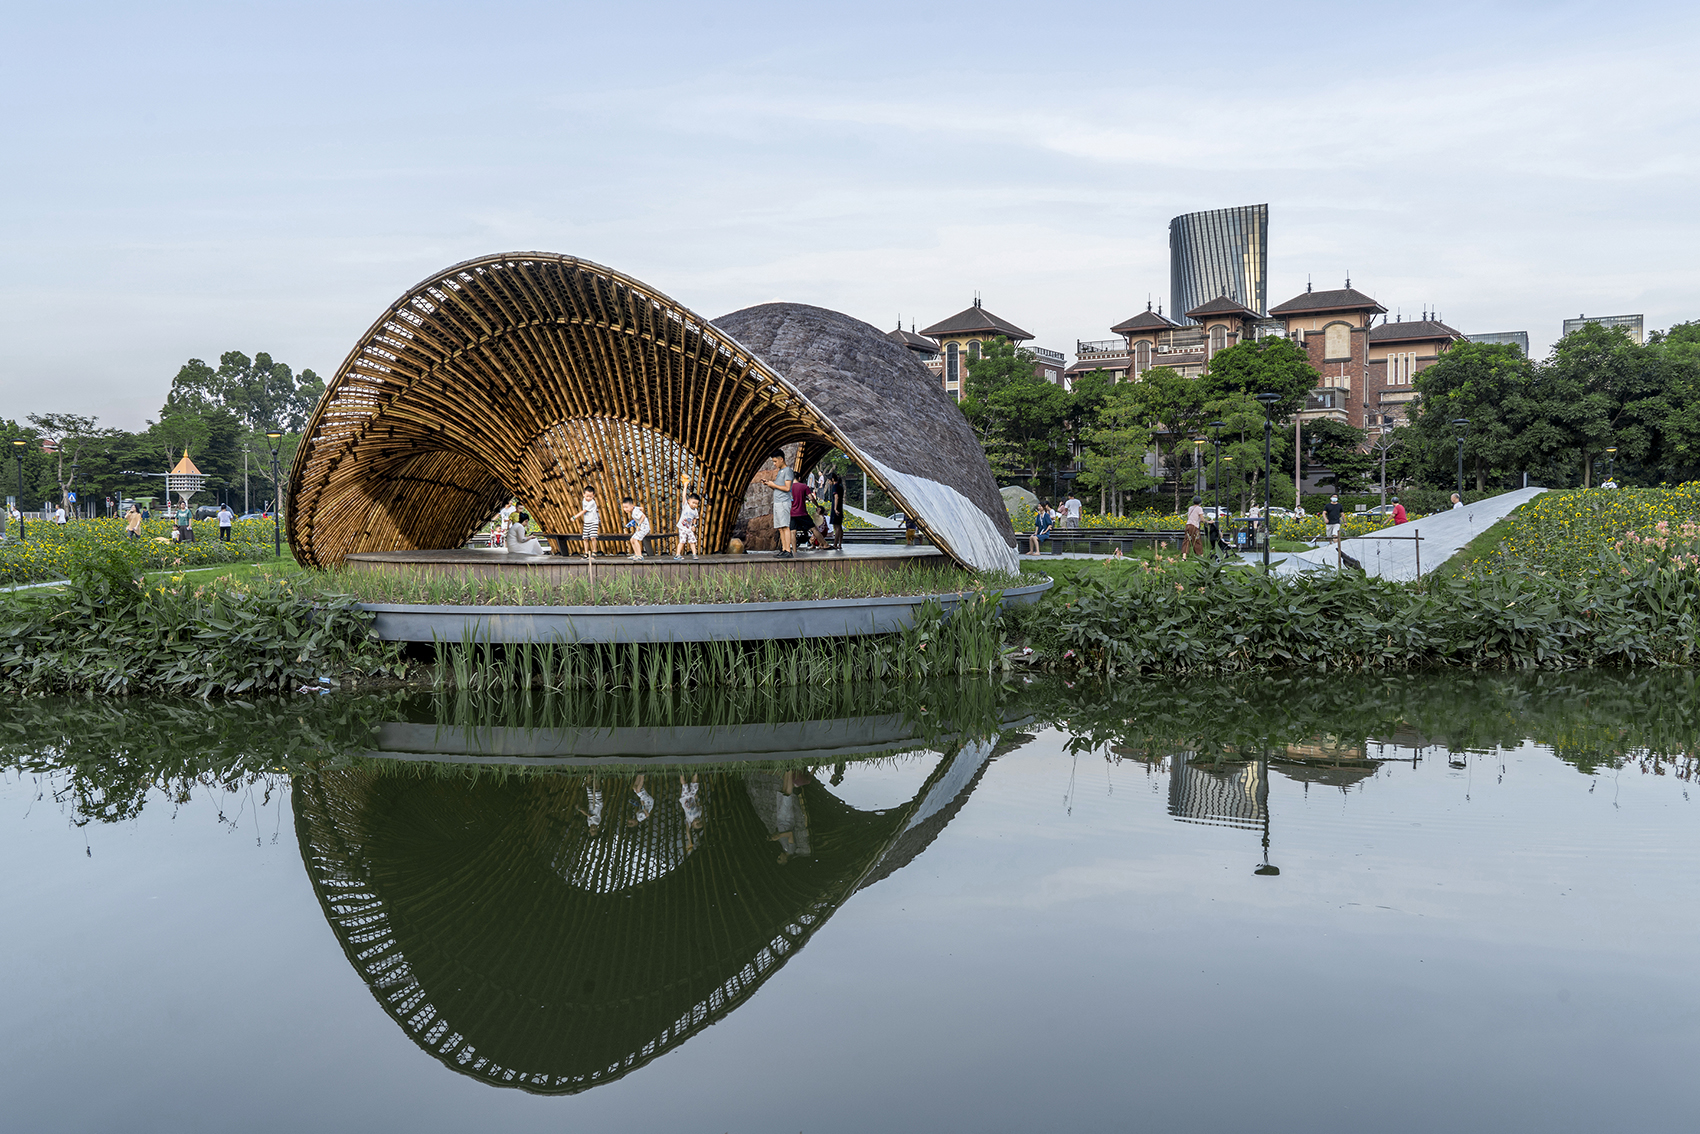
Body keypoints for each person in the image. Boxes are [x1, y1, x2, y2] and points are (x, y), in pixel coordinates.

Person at [755, 452, 795, 558]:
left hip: (783, 502)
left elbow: (787, 488)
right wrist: (769, 484)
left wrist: (774, 484)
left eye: (775, 461)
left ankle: (788, 550)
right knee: (780, 527)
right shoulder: (780, 472)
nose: (774, 464)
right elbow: (777, 487)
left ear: (781, 459)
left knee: (785, 526)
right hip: (777, 502)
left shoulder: (788, 471)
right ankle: (784, 549)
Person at [569, 486, 600, 556]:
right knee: (585, 538)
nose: (588, 498)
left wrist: (575, 517)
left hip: (593, 522)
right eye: (587, 496)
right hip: (586, 522)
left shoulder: (592, 502)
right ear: (583, 494)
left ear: (593, 496)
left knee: (593, 537)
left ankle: (594, 551)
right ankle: (586, 552)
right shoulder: (584, 500)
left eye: (591, 496)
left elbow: (584, 511)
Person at [788, 476, 816, 553]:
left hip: (792, 513)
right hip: (802, 512)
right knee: (813, 528)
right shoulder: (804, 486)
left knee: (793, 532)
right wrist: (817, 505)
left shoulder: (789, 487)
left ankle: (794, 550)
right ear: (799, 478)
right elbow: (811, 497)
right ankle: (824, 544)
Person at [675, 492, 701, 559]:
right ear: (689, 501)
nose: (694, 505)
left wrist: (694, 525)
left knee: (692, 541)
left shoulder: (695, 511)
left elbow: (695, 518)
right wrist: (685, 486)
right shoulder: (685, 506)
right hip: (682, 527)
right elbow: (683, 496)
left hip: (689, 528)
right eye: (693, 503)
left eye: (696, 504)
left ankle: (694, 554)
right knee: (682, 541)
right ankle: (677, 554)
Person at [826, 471, 845, 550]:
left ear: (833, 479)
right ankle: (839, 544)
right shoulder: (840, 486)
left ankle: (835, 544)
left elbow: (836, 497)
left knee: (836, 527)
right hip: (840, 507)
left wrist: (835, 508)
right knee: (839, 527)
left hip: (836, 507)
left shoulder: (835, 486)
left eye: (829, 480)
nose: (828, 482)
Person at [1183, 495, 1205, 560]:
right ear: (1200, 502)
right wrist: (1209, 521)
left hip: (1188, 525)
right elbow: (1202, 519)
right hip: (1194, 526)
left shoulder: (1190, 508)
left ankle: (1184, 557)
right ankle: (1201, 557)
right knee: (1197, 541)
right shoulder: (1199, 508)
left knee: (1186, 541)